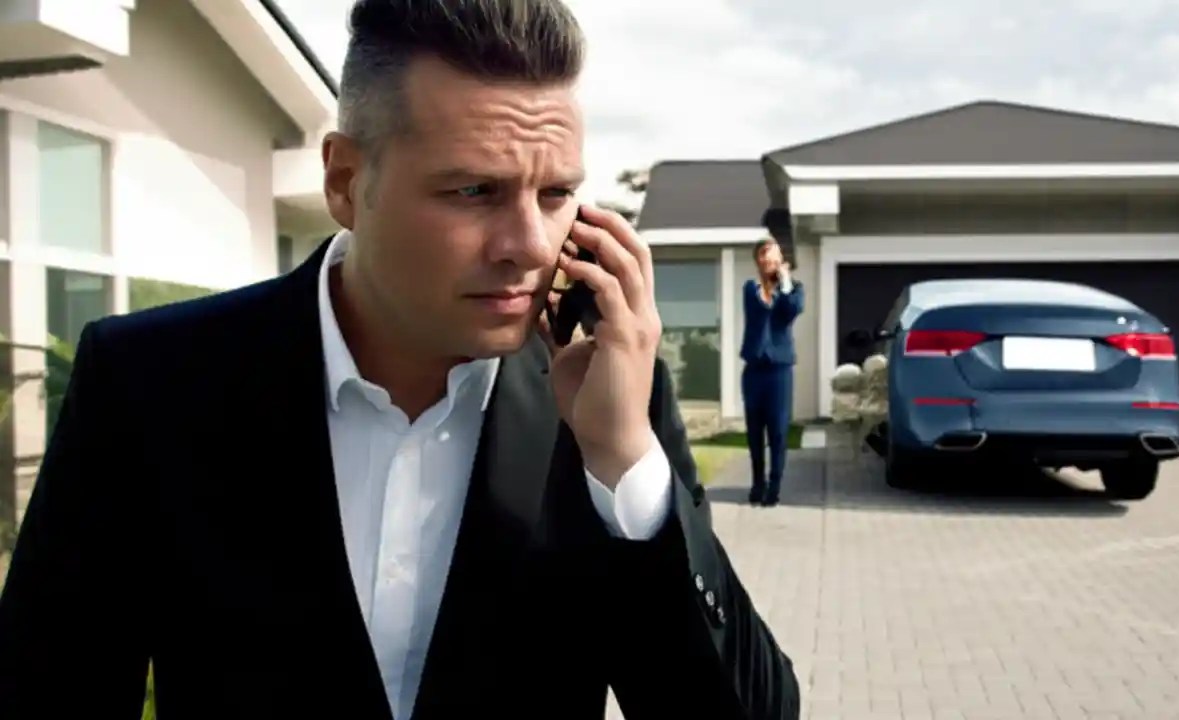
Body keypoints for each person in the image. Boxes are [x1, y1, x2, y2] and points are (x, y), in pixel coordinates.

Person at [0, 1, 800, 718]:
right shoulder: (150, 386)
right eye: (473, 192)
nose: (528, 246)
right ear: (348, 181)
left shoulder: (609, 402)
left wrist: (626, 465)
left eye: (555, 195)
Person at [739, 237, 805, 507]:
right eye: (764, 258)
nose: (769, 262)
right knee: (755, 432)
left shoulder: (794, 289)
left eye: (773, 257)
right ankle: (757, 484)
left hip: (779, 371)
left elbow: (792, 311)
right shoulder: (750, 289)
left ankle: (774, 487)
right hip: (754, 371)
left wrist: (785, 282)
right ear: (758, 262)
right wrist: (772, 290)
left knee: (778, 431)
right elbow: (761, 311)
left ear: (781, 260)